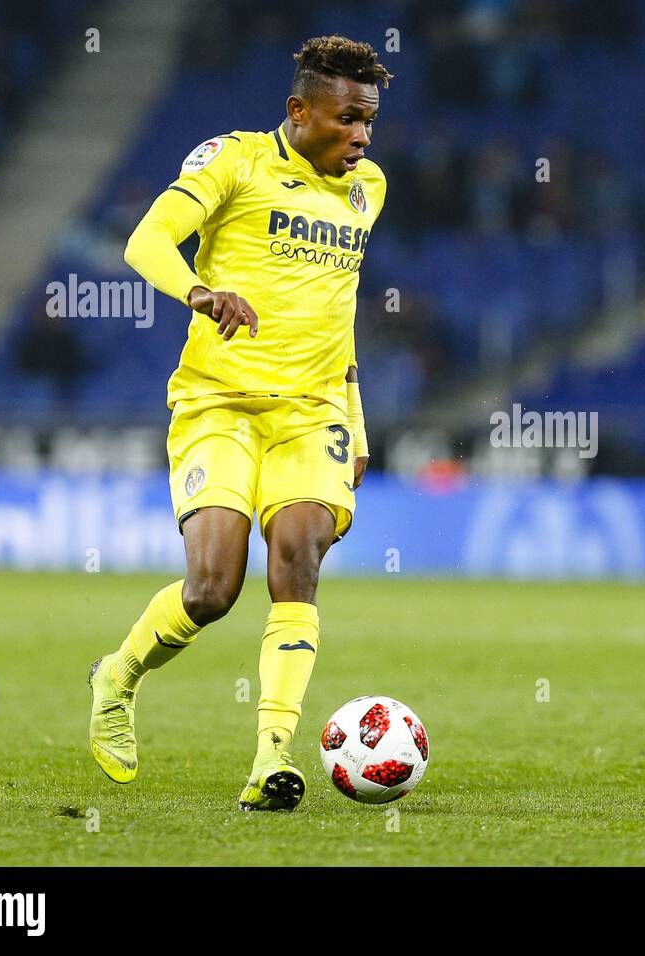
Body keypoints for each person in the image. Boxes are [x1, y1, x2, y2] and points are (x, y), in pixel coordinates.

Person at [89, 35, 391, 811]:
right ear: (299, 111)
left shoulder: (367, 189)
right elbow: (146, 239)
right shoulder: (234, 160)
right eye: (347, 119)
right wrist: (198, 292)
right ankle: (118, 675)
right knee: (213, 588)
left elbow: (339, 312)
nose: (361, 137)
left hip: (312, 411)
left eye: (370, 122)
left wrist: (355, 419)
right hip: (217, 403)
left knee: (297, 556)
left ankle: (271, 759)